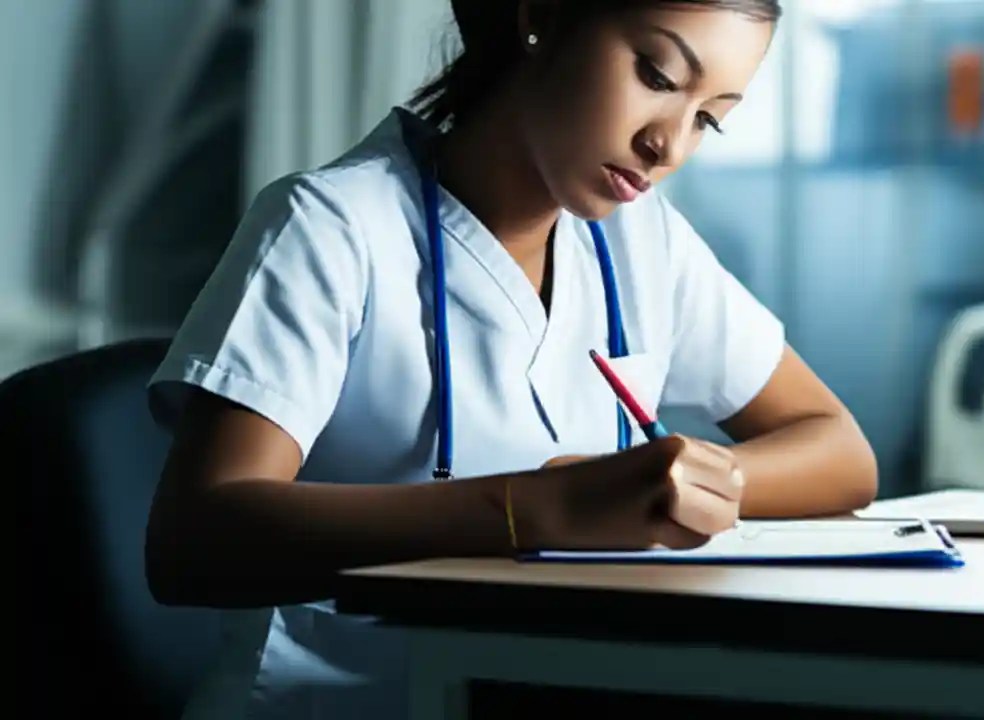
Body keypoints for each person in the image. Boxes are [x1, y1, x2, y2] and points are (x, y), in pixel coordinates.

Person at [143, 0, 878, 716]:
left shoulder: (643, 242)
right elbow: (194, 542)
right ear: (541, 17)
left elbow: (840, 451)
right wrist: (544, 509)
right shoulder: (331, 226)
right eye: (657, 76)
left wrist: (682, 483)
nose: (670, 146)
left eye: (708, 118)